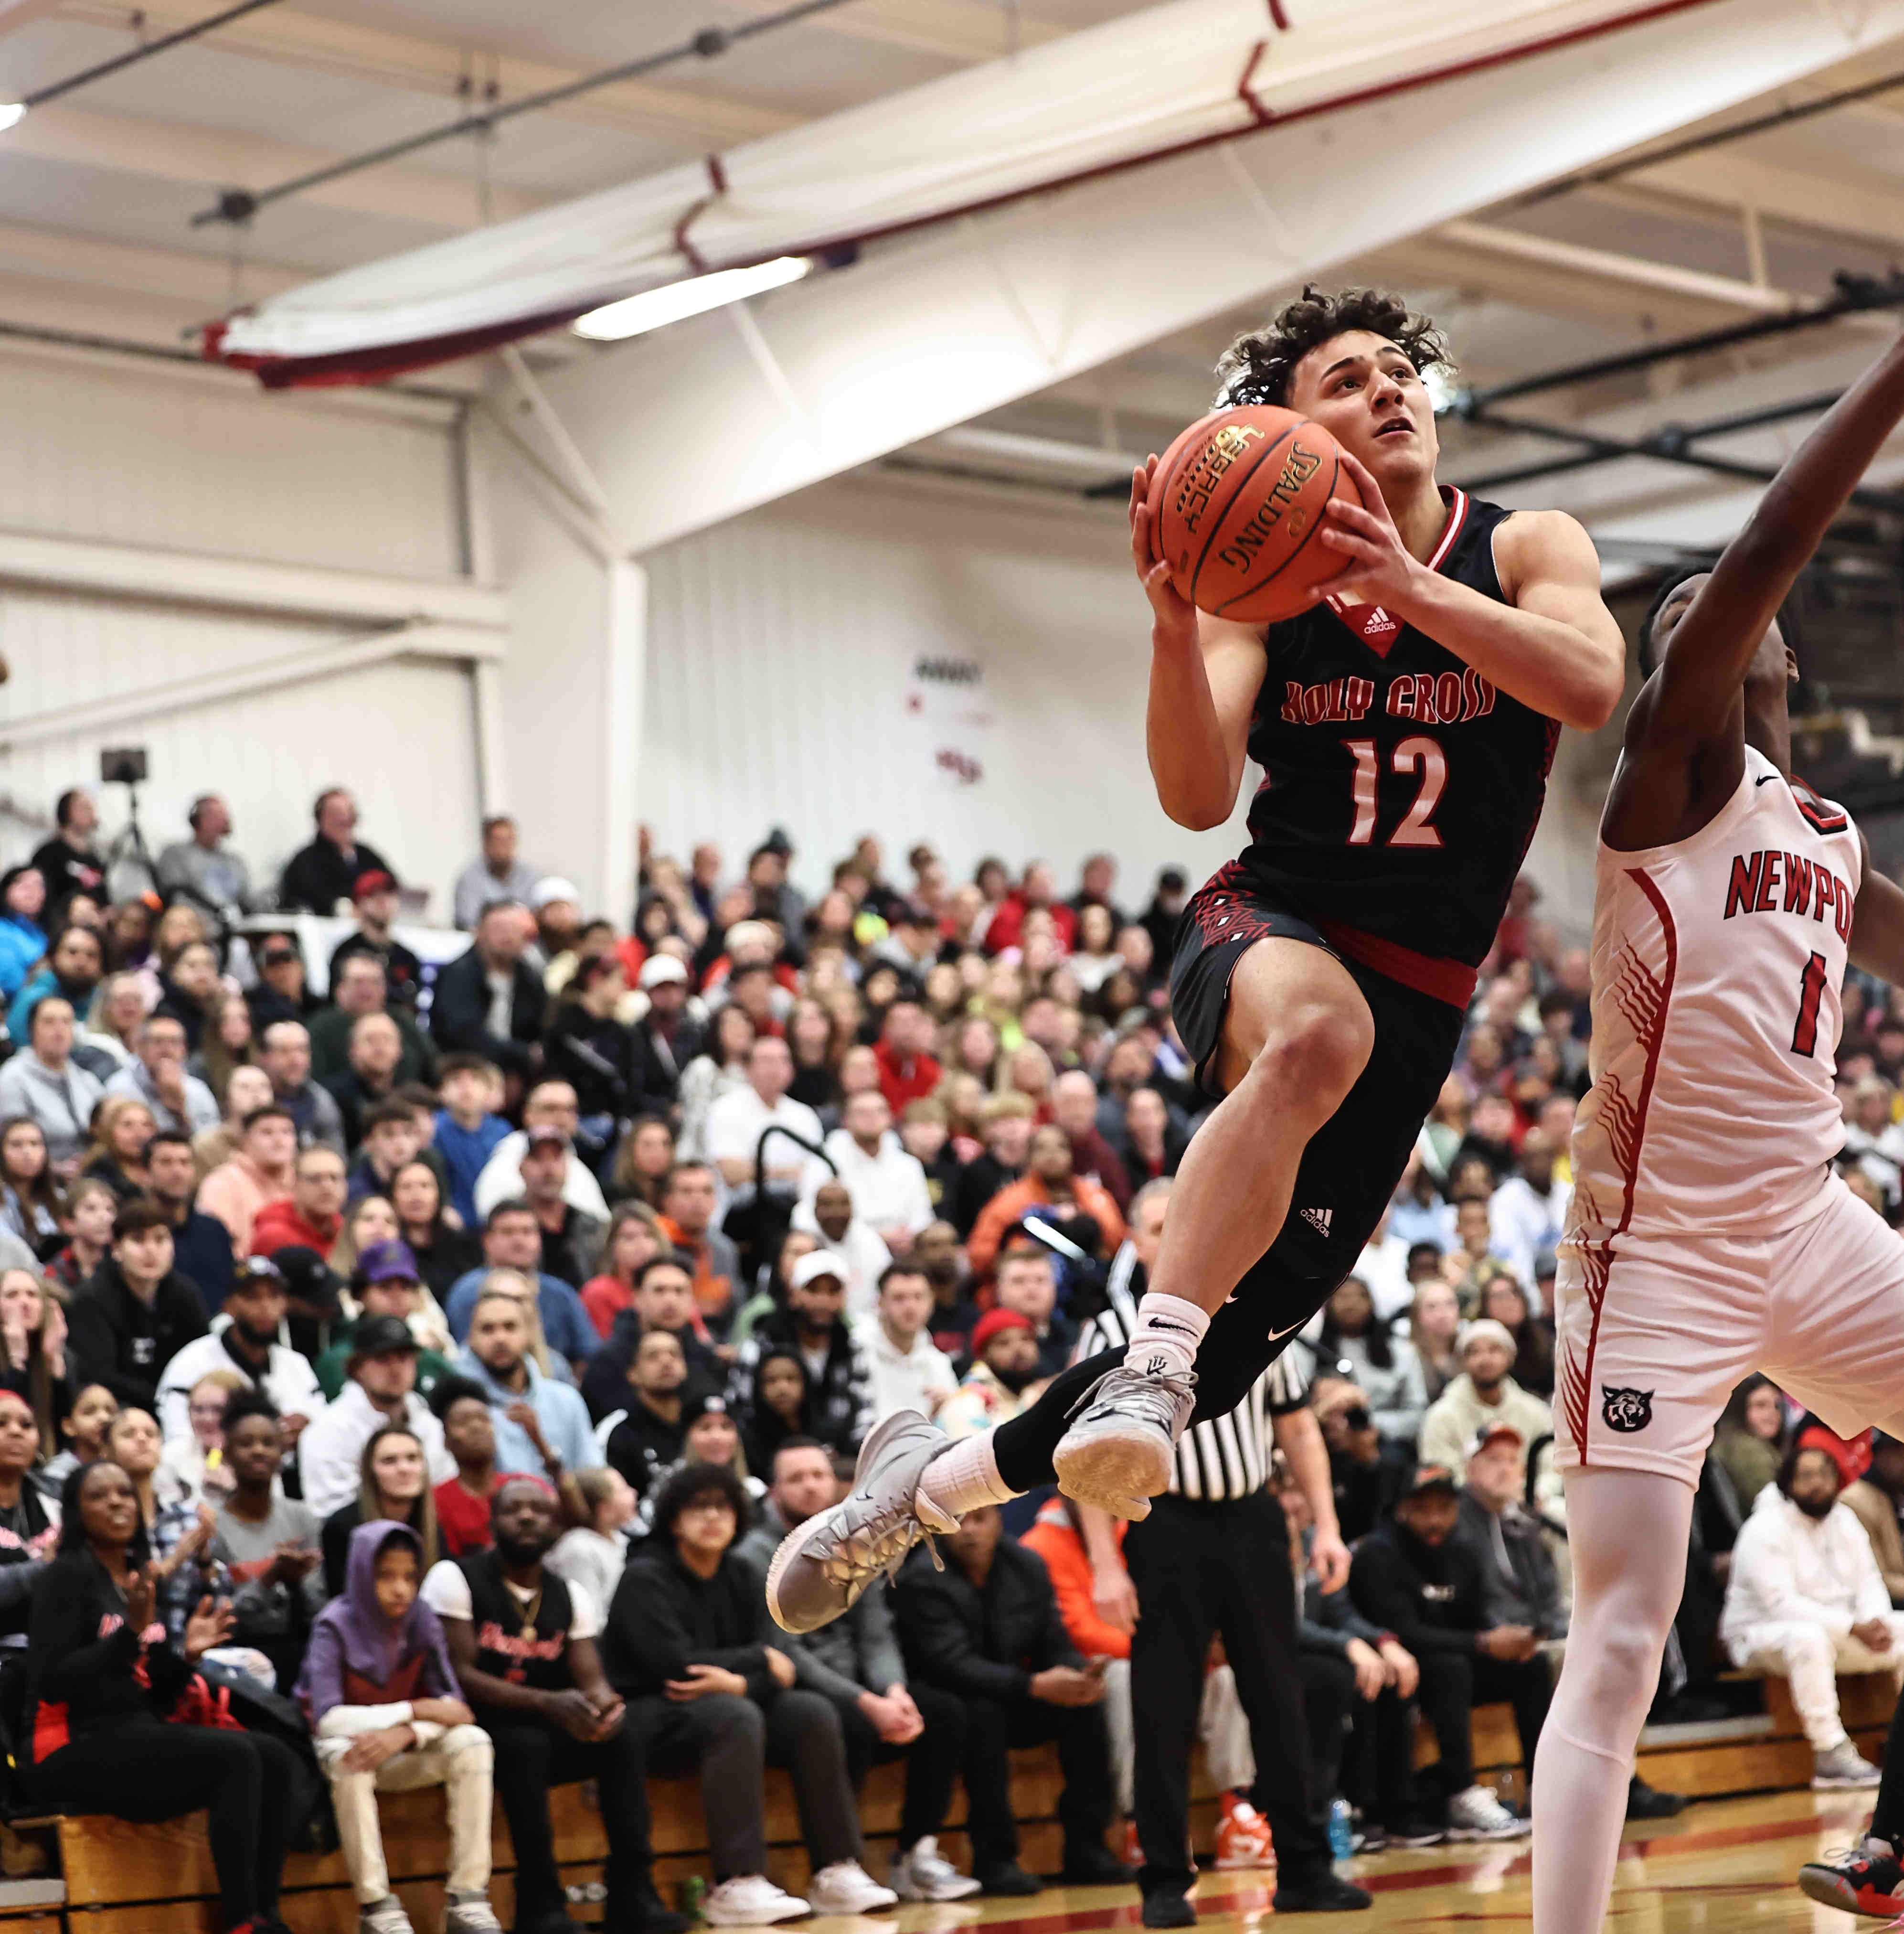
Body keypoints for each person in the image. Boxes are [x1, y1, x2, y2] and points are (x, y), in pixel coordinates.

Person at [762, 289, 1627, 1641]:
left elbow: (1586, 686)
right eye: (1346, 380)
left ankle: (917, 1491)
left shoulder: (1524, 542)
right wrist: (1175, 627)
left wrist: (1407, 588)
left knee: (1223, 1369)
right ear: (1288, 430)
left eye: (1401, 371)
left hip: (1425, 986)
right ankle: (1148, 1366)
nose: (1389, 390)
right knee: (1311, 1050)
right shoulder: (1261, 583)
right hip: (1270, 919)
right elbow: (1189, 791)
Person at [1525, 326, 1904, 1934]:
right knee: (1619, 1623)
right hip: (1652, 1250)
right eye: (1664, 610)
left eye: (1707, 613)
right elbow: (1758, 545)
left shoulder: (1822, 830)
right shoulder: (1665, 769)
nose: (1689, 612)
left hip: (1807, 1223)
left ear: (1786, 669)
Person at [1062, 1172, 1368, 1922]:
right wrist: (1104, 1562)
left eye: (1184, 1222)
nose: (1176, 1237)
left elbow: (1296, 1428)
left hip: (1255, 1521)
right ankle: (1165, 1882)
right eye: (1160, 1227)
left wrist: (1324, 1525)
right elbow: (1087, 1455)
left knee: (1278, 1696)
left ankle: (1302, 1867)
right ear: (1136, 1242)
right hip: (1164, 1529)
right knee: (1163, 1705)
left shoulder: (1261, 1315)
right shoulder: (1110, 1330)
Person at [602, 1460, 899, 1923]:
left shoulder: (741, 1572)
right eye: (698, 1508)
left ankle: (836, 1868)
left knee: (810, 1711)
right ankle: (736, 1881)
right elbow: (676, 1666)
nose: (713, 1517)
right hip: (650, 1712)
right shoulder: (646, 1575)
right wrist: (756, 1665)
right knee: (734, 1714)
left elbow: (781, 1664)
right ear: (673, 1519)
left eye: (722, 1506)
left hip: (728, 1703)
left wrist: (745, 1677)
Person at [23, 1459, 305, 1933]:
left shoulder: (136, 1577)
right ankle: (241, 1922)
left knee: (275, 1755)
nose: (116, 1501)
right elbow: (54, 1680)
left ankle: (266, 1914)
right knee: (234, 1755)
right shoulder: (66, 1576)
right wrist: (129, 1634)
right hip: (68, 1742)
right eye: (99, 1494)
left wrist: (186, 1655)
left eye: (124, 1492)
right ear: (75, 1511)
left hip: (131, 1731)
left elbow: (150, 1691)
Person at [426, 1475, 690, 1934]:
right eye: (514, 1509)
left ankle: (633, 1894)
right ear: (493, 1521)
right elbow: (462, 1676)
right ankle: (539, 1904)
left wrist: (605, 1709)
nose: (527, 1516)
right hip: (477, 1724)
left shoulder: (569, 1593)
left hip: (547, 1717)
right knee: (524, 1745)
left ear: (555, 1523)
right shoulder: (456, 1577)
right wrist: (552, 1702)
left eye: (538, 1509)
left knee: (622, 1738)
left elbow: (591, 1679)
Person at [735, 1438, 980, 1902]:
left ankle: (915, 1853)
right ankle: (836, 1866)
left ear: (835, 1482)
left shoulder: (857, 1537)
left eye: (818, 1474)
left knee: (944, 1711)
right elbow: (786, 1650)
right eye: (796, 1477)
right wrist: (867, 1701)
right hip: (799, 1683)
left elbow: (876, 1633)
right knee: (846, 1721)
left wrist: (894, 1690)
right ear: (774, 1491)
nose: (810, 1486)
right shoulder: (755, 1553)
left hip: (859, 1682)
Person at [892, 1502, 1130, 1895]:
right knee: (980, 1714)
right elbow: (949, 1664)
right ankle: (995, 1858)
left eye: (979, 1519)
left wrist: (1077, 1673)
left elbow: (1053, 1640)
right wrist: (1033, 1685)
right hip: (952, 1697)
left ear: (998, 1519)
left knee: (1083, 1705)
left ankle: (1088, 1848)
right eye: (958, 1521)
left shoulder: (1026, 1564)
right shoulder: (921, 1577)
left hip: (1016, 1690)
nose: (970, 1530)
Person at [299, 1518, 502, 1934]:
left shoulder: (422, 1619)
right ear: (360, 1573)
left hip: (403, 1750)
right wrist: (414, 1709)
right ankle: (376, 1904)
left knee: (474, 1742)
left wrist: (407, 1732)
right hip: (350, 1755)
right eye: (386, 1575)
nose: (401, 1589)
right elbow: (329, 1719)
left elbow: (458, 1710)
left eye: (410, 1576)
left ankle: (467, 1896)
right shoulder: (333, 1625)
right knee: (348, 1756)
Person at [1348, 1464, 1546, 1840]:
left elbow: (1475, 1618)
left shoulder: (1462, 1551)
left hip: (1456, 1663)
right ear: (1403, 1508)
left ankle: (1543, 1788)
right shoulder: (1379, 1553)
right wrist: (1483, 1642)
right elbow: (1404, 1633)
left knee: (1530, 1665)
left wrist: (1506, 1638)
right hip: (1403, 1670)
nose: (1435, 1520)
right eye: (1424, 1509)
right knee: (1449, 1666)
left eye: (1444, 1508)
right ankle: (1460, 1793)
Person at [1722, 1444, 1904, 1789]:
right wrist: (1853, 1626)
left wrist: (1874, 1620)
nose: (1817, 1484)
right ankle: (1829, 1753)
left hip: (1843, 1629)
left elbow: (1868, 1581)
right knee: (1807, 1637)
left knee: (1901, 1627)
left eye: (1824, 1474)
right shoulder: (1763, 1528)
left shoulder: (1844, 1520)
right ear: (1788, 1484)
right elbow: (1782, 1605)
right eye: (1806, 1476)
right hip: (1762, 1634)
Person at [208, 1390, 321, 1692]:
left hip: (300, 1653)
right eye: (246, 1444)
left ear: (282, 1452)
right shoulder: (211, 1528)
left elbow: (317, 1615)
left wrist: (295, 1582)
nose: (258, 1451)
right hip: (239, 1663)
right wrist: (271, 1577)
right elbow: (222, 1621)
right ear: (228, 1452)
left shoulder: (302, 1519)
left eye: (269, 1443)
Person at [155, 1253, 324, 1455]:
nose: (265, 1306)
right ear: (228, 1306)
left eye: (274, 1296)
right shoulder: (191, 1364)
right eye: (252, 1297)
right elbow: (178, 1443)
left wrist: (307, 1433)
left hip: (287, 1479)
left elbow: (325, 1432)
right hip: (211, 1476)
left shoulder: (296, 1365)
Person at [299, 1315, 454, 1519]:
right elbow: (331, 1513)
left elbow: (445, 1488)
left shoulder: (428, 1422)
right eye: (383, 1359)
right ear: (359, 1368)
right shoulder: (328, 1430)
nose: (396, 1369)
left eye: (404, 1358)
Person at [726, 1252, 874, 1461]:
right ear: (793, 1294)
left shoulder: (851, 1346)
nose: (823, 1301)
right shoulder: (760, 1346)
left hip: (839, 1461)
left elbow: (863, 1412)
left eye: (833, 1292)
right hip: (767, 1459)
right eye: (813, 1290)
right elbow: (740, 1411)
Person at [66, 1198, 208, 1410]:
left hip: (180, 1407)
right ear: (116, 1249)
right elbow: (100, 1377)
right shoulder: (91, 1299)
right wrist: (163, 1398)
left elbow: (202, 1359)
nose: (151, 1250)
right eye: (138, 1240)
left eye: (160, 1239)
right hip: (118, 1411)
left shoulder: (186, 1294)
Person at [456, 1288, 592, 1497]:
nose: (500, 1338)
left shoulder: (566, 1400)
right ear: (470, 1339)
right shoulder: (459, 1409)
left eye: (510, 1327)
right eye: (487, 1329)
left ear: (529, 1334)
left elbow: (592, 1475)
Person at [1417, 1320, 1560, 1518]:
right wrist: (1489, 1496)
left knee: (1561, 1516)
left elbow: (1553, 1466)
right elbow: (1440, 1474)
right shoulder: (1441, 1415)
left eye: (1494, 1350)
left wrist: (1534, 1494)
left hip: (1527, 1502)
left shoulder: (1535, 1411)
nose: (1485, 1359)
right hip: (1465, 1508)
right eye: (1474, 1352)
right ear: (1462, 1361)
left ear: (1510, 1357)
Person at [443, 1202, 596, 1371]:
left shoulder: (561, 1293)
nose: (519, 1240)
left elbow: (587, 1356)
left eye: (527, 1232)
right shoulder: (468, 1292)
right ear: (487, 1240)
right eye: (508, 1232)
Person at [966, 1124, 1126, 1279]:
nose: (1052, 1154)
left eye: (1061, 1147)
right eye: (1042, 1148)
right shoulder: (1009, 1202)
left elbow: (1119, 1244)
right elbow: (980, 1256)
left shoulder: (1095, 1196)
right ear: (1029, 1157)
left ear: (1071, 1154)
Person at [315, 1241, 456, 1400]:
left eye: (405, 1287)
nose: (397, 1296)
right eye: (385, 1287)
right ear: (360, 1293)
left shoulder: (432, 1361)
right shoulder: (338, 1361)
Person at [430, 901, 544, 1087]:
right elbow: (464, 1035)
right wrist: (521, 1056)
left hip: (517, 1075)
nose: (507, 936)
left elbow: (538, 1030)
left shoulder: (531, 979)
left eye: (514, 929)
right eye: (499, 928)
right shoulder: (458, 974)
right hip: (463, 1068)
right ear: (479, 933)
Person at [473, 1080, 611, 1223]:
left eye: (570, 1110)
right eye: (551, 1109)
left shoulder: (577, 1166)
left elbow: (602, 1225)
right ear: (528, 1114)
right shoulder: (508, 1160)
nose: (562, 1118)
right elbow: (494, 1223)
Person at [0, 998, 104, 1172]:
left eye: (66, 1022)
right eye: (49, 1022)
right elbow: (11, 1146)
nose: (59, 1030)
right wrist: (55, 1170)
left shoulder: (87, 1080)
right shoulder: (12, 1078)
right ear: (32, 1030)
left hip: (91, 1174)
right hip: (41, 1180)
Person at [144, 1129, 235, 1314]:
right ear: (146, 1171)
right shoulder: (134, 1233)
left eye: (185, 1163)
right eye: (166, 1163)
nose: (177, 1172)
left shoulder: (215, 1231)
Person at [603, 1332, 695, 1504]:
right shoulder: (618, 1431)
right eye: (653, 1356)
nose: (667, 1362)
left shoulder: (702, 1423)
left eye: (674, 1354)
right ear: (633, 1373)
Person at [865, 1260, 957, 1425]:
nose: (910, 1306)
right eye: (899, 1298)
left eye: (918, 1297)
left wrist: (947, 1410)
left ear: (931, 1302)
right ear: (880, 1303)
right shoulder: (857, 1353)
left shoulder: (939, 1363)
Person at [278, 786, 395, 916]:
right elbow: (306, 900)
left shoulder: (366, 856)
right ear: (320, 820)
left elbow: (392, 886)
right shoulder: (305, 862)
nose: (345, 820)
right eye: (336, 814)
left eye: (350, 813)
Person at [104, 1009, 220, 1138]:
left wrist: (180, 1111)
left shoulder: (199, 1091)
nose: (166, 1050)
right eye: (158, 1042)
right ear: (141, 1048)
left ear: (184, 1050)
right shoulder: (119, 1087)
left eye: (174, 1042)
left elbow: (206, 1146)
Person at [155, 794, 258, 936]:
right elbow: (175, 894)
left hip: (235, 932)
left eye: (224, 814)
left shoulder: (236, 862)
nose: (223, 819)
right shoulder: (176, 855)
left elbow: (248, 901)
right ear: (197, 820)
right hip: (192, 930)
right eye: (215, 814)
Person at [938, 1310, 1049, 1441]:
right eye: (1003, 1343)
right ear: (984, 1355)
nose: (1019, 1349)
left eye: (1026, 1339)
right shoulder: (968, 1402)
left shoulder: (1032, 1395)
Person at [433, 1056, 511, 1230]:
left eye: (475, 1079)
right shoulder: (433, 1130)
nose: (466, 1087)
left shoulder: (503, 1132)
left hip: (496, 1223)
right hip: (451, 1226)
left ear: (487, 1091)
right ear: (442, 1092)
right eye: (455, 1080)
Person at [329, 869, 423, 1014]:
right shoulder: (345, 953)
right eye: (373, 895)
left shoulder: (407, 957)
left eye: (389, 894)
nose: (383, 901)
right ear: (357, 905)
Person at [548, 1464, 638, 1612]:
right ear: (604, 1509)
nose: (633, 1492)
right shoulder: (579, 1550)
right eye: (624, 1490)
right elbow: (588, 1615)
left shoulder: (619, 1539)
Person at [628, 956, 704, 1121]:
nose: (669, 995)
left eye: (674, 988)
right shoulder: (636, 1034)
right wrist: (666, 1109)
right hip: (650, 1119)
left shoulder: (697, 1031)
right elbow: (634, 1090)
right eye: (661, 989)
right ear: (648, 992)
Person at [259, 1019, 347, 1154]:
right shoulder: (252, 1097)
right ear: (265, 1058)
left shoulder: (321, 1102)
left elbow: (336, 1156)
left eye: (302, 1051)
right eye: (284, 1051)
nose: (296, 1060)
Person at [250, 1141, 347, 1262]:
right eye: (315, 1179)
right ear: (294, 1184)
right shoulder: (274, 1238)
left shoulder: (348, 1231)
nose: (327, 1186)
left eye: (334, 1178)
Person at [1843, 1432, 1904, 1607]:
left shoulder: (1894, 1492)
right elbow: (1875, 1579)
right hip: (1880, 1607)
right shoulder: (1855, 1501)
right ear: (1885, 1453)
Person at [1713, 1377, 1789, 1512]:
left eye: (1777, 1406)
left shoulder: (1735, 1441)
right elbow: (1773, 1508)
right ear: (1741, 1409)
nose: (1772, 1413)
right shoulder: (1746, 1449)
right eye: (1761, 1405)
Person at [29, 789, 106, 908]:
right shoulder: (49, 853)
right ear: (66, 811)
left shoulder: (94, 859)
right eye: (84, 807)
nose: (91, 812)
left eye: (92, 807)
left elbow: (103, 897)